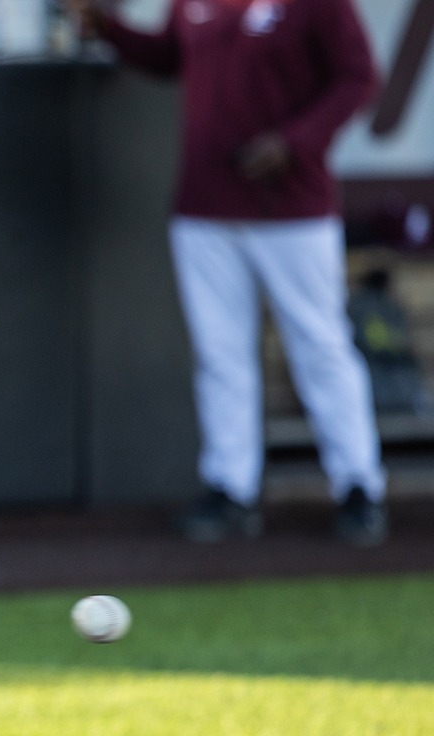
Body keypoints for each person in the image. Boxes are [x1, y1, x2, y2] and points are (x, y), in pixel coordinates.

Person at [72, 0, 389, 545]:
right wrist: (108, 28)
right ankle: (231, 487)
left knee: (319, 343)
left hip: (290, 206)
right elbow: (170, 57)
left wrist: (295, 141)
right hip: (204, 202)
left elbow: (358, 77)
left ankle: (358, 485)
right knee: (220, 353)